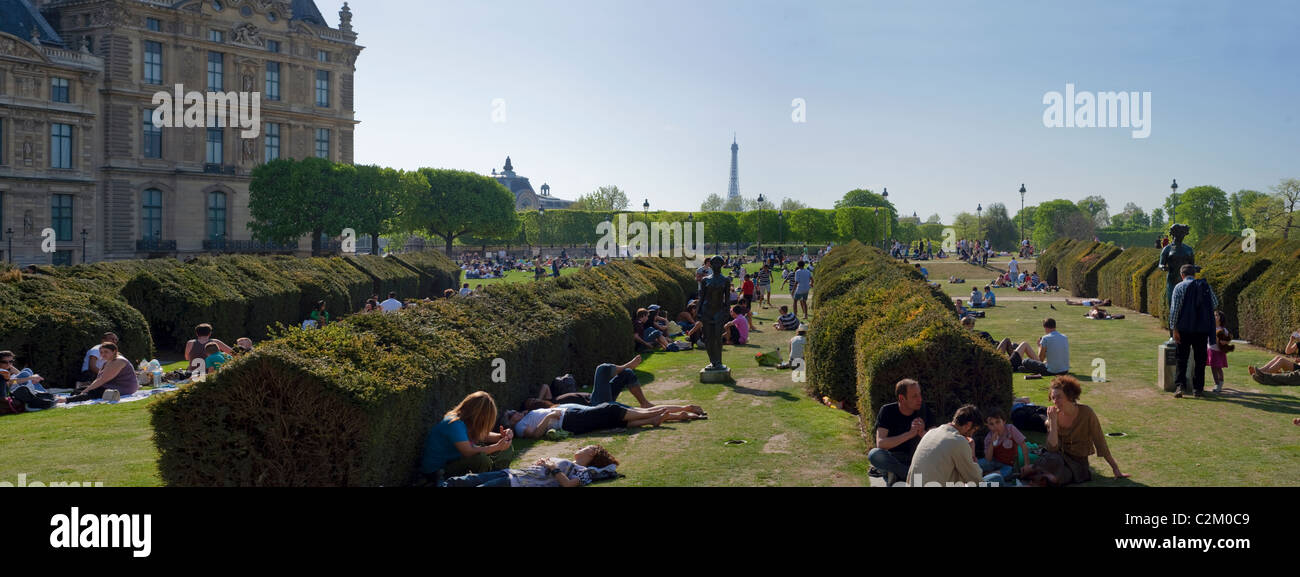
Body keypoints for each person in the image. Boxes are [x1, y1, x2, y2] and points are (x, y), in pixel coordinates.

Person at [1020, 376, 1128, 486]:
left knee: (1063, 476)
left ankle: (1037, 475)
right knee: (1053, 458)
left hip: (1078, 462)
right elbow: (1052, 448)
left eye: (1059, 397)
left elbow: (1100, 442)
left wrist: (1115, 468)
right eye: (1053, 397)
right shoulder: (1053, 416)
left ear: (1070, 396)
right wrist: (1053, 422)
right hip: (1057, 457)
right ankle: (1039, 476)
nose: (1055, 401)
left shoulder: (1087, 413)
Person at [419, 391, 514, 481]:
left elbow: (482, 435)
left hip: (451, 463)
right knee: (481, 459)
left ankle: (499, 476)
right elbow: (468, 452)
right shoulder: (454, 423)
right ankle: (492, 478)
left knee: (507, 447)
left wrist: (502, 436)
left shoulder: (465, 422)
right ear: (478, 415)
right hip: (436, 472)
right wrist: (496, 447)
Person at [905, 404, 1003, 486]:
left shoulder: (931, 433)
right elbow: (976, 479)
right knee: (996, 479)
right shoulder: (957, 440)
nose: (971, 435)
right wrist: (972, 456)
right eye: (974, 430)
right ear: (968, 425)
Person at [439, 445, 620, 488]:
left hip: (520, 483)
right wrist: (542, 463)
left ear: (592, 454)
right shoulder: (571, 463)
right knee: (469, 480)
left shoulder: (585, 472)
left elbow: (568, 485)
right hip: (516, 473)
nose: (581, 448)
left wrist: (551, 466)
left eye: (586, 447)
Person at [505, 402, 707, 438]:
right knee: (616, 412)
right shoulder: (522, 426)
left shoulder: (525, 417)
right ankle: (675, 413)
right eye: (512, 414)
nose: (517, 412)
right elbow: (534, 435)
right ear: (511, 421)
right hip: (570, 420)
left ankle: (683, 410)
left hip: (576, 417)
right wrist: (549, 415)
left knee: (635, 416)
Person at [867, 379, 934, 485]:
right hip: (893, 459)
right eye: (914, 396)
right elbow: (881, 443)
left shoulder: (925, 411)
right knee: (874, 454)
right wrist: (910, 434)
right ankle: (907, 475)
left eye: (920, 394)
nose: (920, 399)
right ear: (902, 398)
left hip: (916, 459)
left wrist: (923, 433)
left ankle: (897, 476)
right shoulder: (887, 411)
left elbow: (935, 444)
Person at [1169, 264, 1218, 398]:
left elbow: (1175, 309)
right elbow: (1214, 303)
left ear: (1182, 275)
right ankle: (1198, 389)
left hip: (1184, 328)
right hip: (1201, 329)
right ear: (1194, 274)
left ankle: (1180, 386)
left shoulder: (1179, 287)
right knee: (1200, 359)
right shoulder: (1204, 286)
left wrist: (1174, 328)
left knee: (1181, 358)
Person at [62, 342, 138, 404]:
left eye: (106, 352)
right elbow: (99, 378)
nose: (103, 354)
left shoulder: (118, 361)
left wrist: (86, 390)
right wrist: (86, 389)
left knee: (93, 392)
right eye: (101, 352)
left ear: (114, 351)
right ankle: (69, 398)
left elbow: (102, 380)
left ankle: (66, 400)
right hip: (111, 385)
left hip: (124, 387)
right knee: (79, 390)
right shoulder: (108, 361)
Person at [980, 408, 1029, 480]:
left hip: (1009, 465)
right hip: (994, 462)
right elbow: (988, 459)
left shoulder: (1010, 429)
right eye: (991, 424)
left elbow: (1023, 445)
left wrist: (1026, 464)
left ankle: (987, 476)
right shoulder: (988, 437)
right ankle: (988, 475)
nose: (995, 426)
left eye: (998, 422)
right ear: (988, 426)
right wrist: (992, 443)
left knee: (1007, 472)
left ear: (1004, 421)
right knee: (979, 464)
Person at [1208, 310, 1233, 393]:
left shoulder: (1223, 329)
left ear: (1221, 318)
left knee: (1218, 368)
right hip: (1211, 350)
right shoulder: (1210, 327)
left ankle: (1220, 384)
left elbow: (1228, 339)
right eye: (1214, 315)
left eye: (1217, 315)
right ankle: (1216, 383)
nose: (1215, 317)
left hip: (1219, 352)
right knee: (1213, 368)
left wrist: (1225, 342)